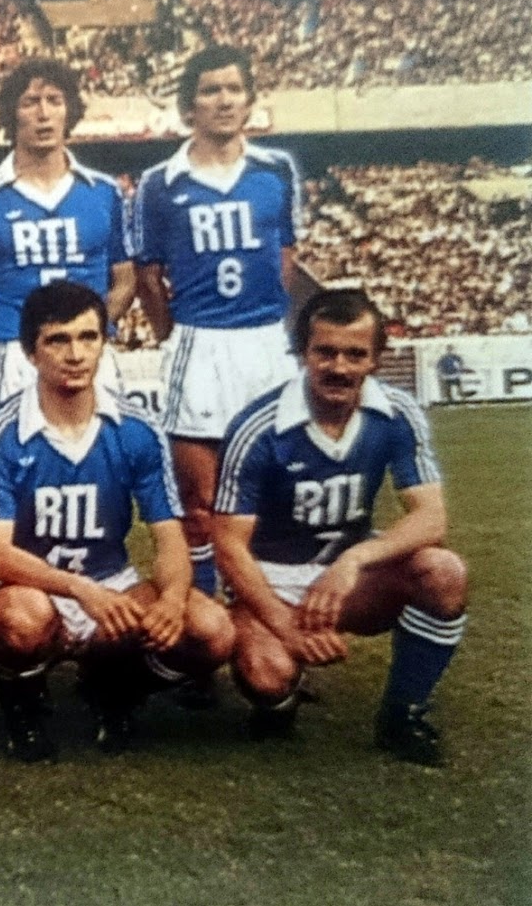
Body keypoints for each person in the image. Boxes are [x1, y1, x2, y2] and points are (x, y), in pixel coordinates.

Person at [0, 282, 234, 760]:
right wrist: (78, 590)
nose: (76, 354)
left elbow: (169, 536)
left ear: (104, 342)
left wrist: (172, 599)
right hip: (36, 588)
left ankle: (116, 691)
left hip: (112, 581)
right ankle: (24, 713)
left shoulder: (136, 429)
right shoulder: (0, 434)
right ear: (31, 352)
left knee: (214, 631)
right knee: (20, 619)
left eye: (89, 338)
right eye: (58, 340)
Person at [213, 288, 467, 765]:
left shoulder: (397, 413)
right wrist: (285, 626)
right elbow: (228, 547)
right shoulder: (259, 427)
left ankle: (403, 713)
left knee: (444, 571)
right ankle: (280, 701)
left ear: (376, 359)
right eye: (324, 351)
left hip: (350, 579)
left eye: (355, 354)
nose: (339, 367)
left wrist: (355, 559)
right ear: (302, 352)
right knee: (267, 675)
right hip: (272, 580)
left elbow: (432, 518)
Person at [131, 44, 302, 598]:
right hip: (199, 343)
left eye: (233, 88)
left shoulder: (277, 170)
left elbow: (286, 261)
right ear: (190, 107)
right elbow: (149, 277)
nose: (223, 100)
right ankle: (204, 634)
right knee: (198, 506)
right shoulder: (161, 182)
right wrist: (174, 334)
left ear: (250, 100)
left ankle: (265, 624)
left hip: (265, 345)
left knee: (275, 497)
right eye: (210, 90)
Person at [0, 59, 134, 410]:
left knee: (102, 459)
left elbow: (125, 281)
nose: (43, 113)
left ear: (70, 110)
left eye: (54, 100)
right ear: (11, 114)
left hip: (91, 359)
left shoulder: (105, 191)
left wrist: (90, 333)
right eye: (30, 102)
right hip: (16, 356)